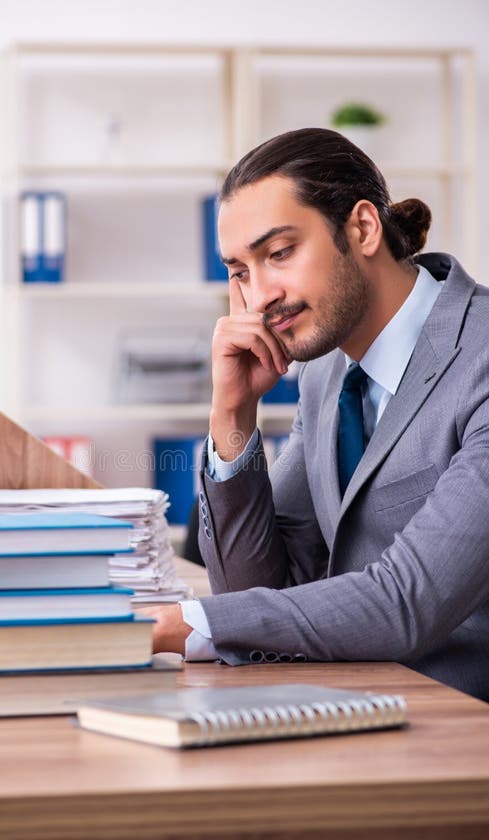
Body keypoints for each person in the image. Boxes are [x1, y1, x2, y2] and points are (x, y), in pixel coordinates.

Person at [143, 127, 489, 701]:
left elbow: (407, 603)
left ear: (362, 228)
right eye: (240, 272)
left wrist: (183, 624)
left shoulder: (477, 358)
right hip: (360, 706)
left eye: (279, 253)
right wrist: (233, 413)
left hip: (463, 729)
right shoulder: (325, 375)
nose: (259, 298)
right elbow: (255, 588)